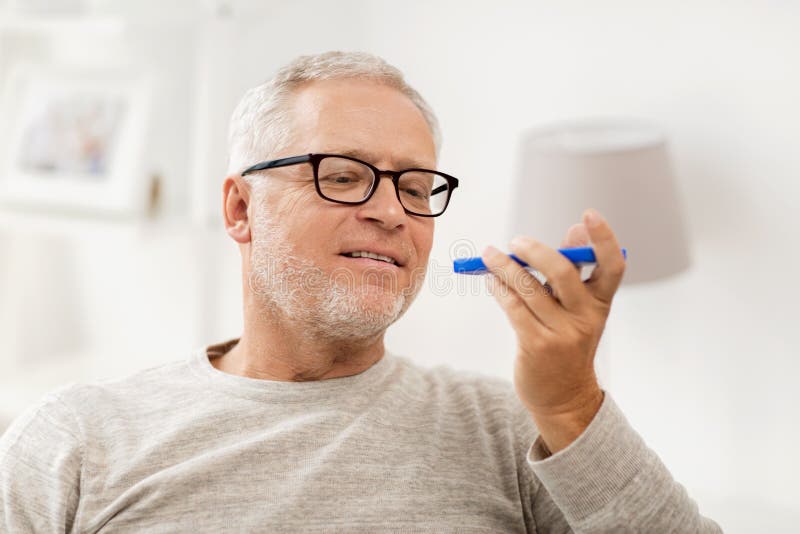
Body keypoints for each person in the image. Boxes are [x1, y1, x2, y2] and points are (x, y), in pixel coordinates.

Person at [0, 51, 721, 533]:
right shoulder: (76, 441)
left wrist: (570, 407)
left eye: (417, 187)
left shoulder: (511, 432)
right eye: (343, 176)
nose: (392, 212)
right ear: (241, 209)